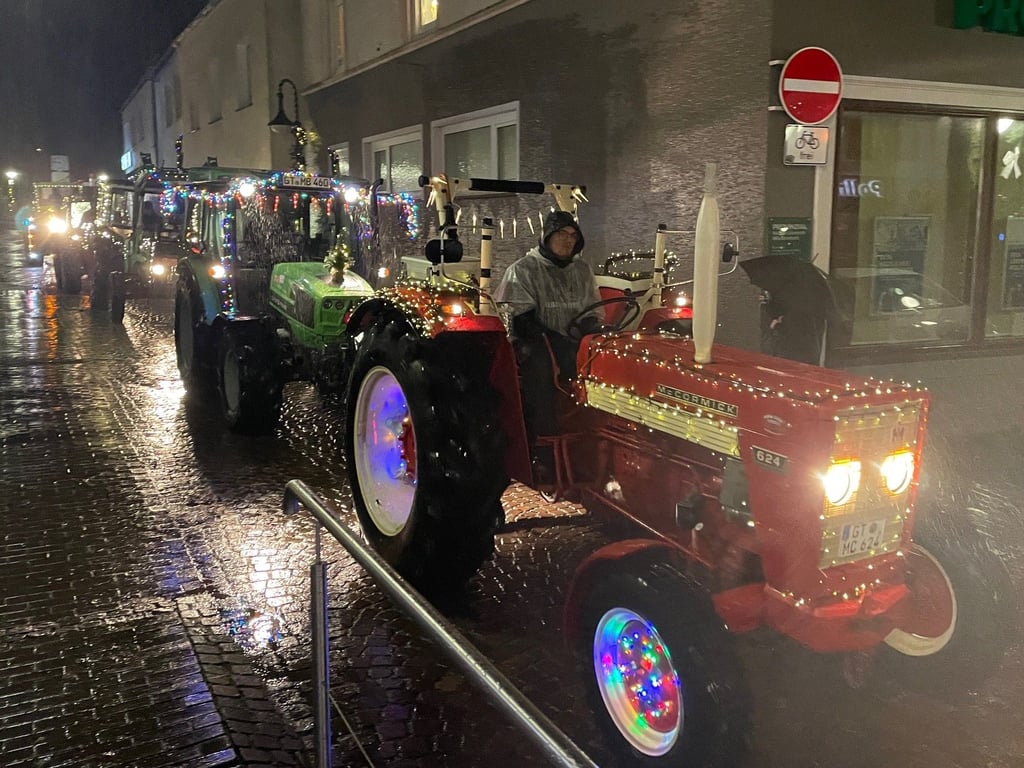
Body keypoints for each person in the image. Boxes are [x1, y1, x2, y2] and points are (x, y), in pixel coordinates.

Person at [494, 210, 603, 446]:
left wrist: (594, 331)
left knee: (602, 360)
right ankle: (542, 435)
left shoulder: (582, 271)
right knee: (541, 366)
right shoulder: (523, 270)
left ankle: (593, 428)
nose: (567, 240)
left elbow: (590, 310)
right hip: (533, 338)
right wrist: (552, 339)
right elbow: (521, 319)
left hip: (570, 339)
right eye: (562, 234)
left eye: (573, 235)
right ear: (547, 236)